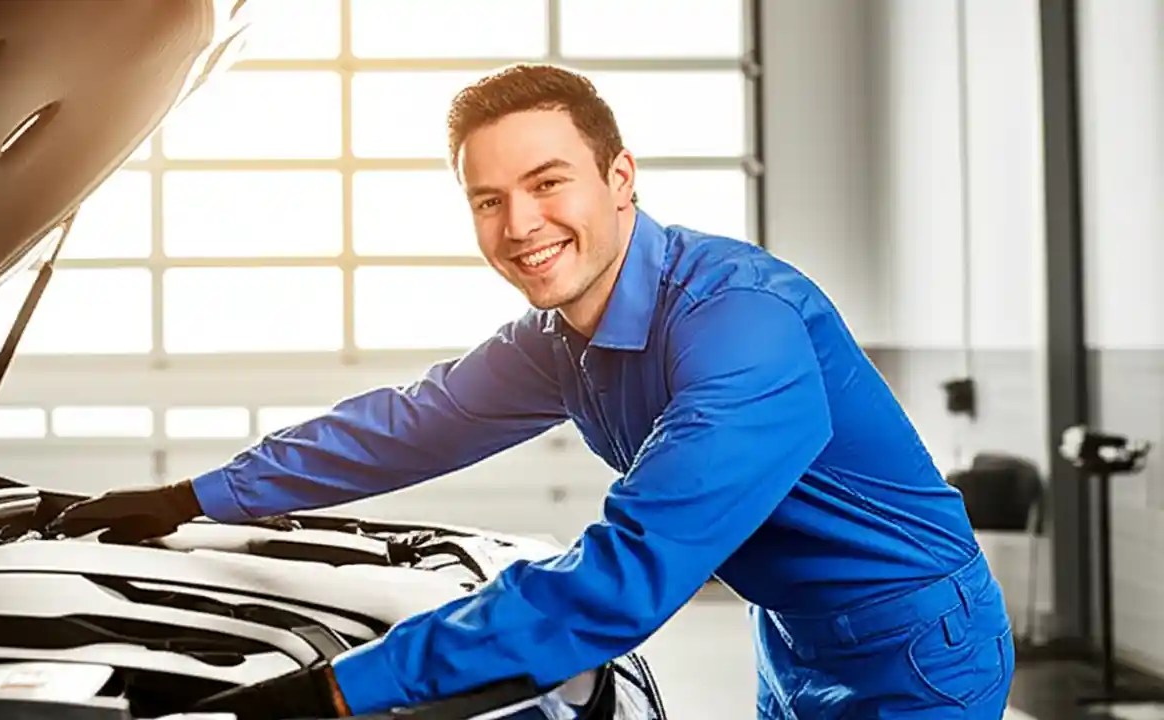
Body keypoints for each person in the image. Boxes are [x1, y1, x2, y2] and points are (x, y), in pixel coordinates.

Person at [49, 63, 1015, 719]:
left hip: (915, 645)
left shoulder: (741, 325)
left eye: (549, 183)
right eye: (488, 199)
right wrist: (193, 499)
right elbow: (403, 428)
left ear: (620, 176)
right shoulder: (560, 337)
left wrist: (341, 692)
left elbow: (622, 580)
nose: (520, 225)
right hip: (794, 634)